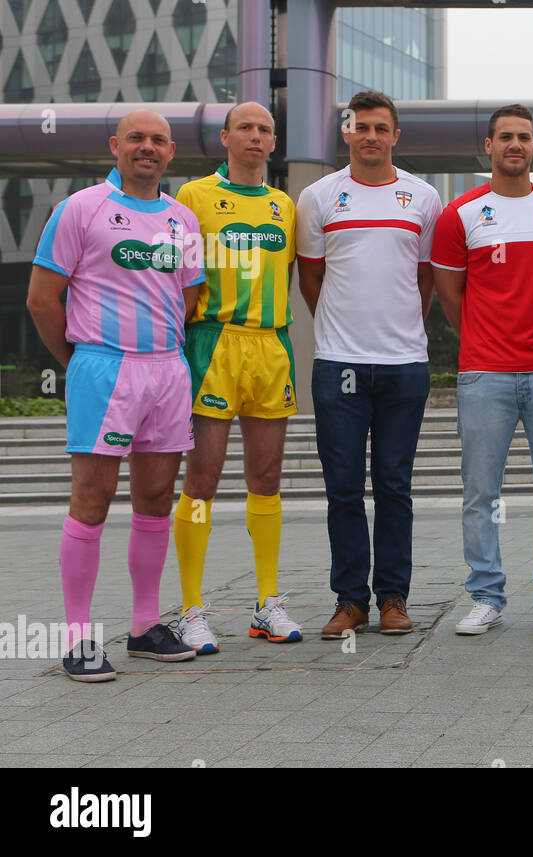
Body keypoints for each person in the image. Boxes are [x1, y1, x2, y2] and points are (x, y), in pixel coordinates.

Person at [27, 109, 204, 681]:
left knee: (155, 499)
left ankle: (145, 626)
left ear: (170, 151)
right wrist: (79, 363)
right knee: (93, 499)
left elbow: (189, 296)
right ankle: (77, 637)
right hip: (104, 367)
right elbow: (41, 299)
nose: (146, 147)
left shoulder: (183, 219)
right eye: (136, 138)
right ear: (115, 145)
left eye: (158, 140)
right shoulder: (80, 208)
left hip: (167, 371)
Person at [296, 91, 442, 638]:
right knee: (343, 489)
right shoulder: (317, 197)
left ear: (395, 135)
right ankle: (350, 600)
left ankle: (393, 599)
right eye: (362, 127)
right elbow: (311, 278)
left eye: (381, 128)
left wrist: (397, 330)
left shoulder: (423, 197)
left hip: (405, 364)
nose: (371, 136)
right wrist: (344, 330)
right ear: (347, 133)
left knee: (394, 487)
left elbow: (425, 277)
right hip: (339, 364)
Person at [433, 104, 533, 636]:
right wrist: (485, 340)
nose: (514, 145)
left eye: (524, 137)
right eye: (505, 137)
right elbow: (450, 297)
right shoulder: (460, 214)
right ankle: (486, 596)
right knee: (480, 494)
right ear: (489, 146)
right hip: (484, 373)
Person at [171, 102, 302, 653]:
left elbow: (288, 273)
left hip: (270, 343)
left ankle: (267, 603)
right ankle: (191, 609)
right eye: (245, 127)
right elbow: (179, 277)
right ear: (225, 137)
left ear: (273, 142)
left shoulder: (284, 206)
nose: (255, 135)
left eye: (264, 129)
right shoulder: (193, 196)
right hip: (213, 341)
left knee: (266, 477)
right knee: (202, 479)